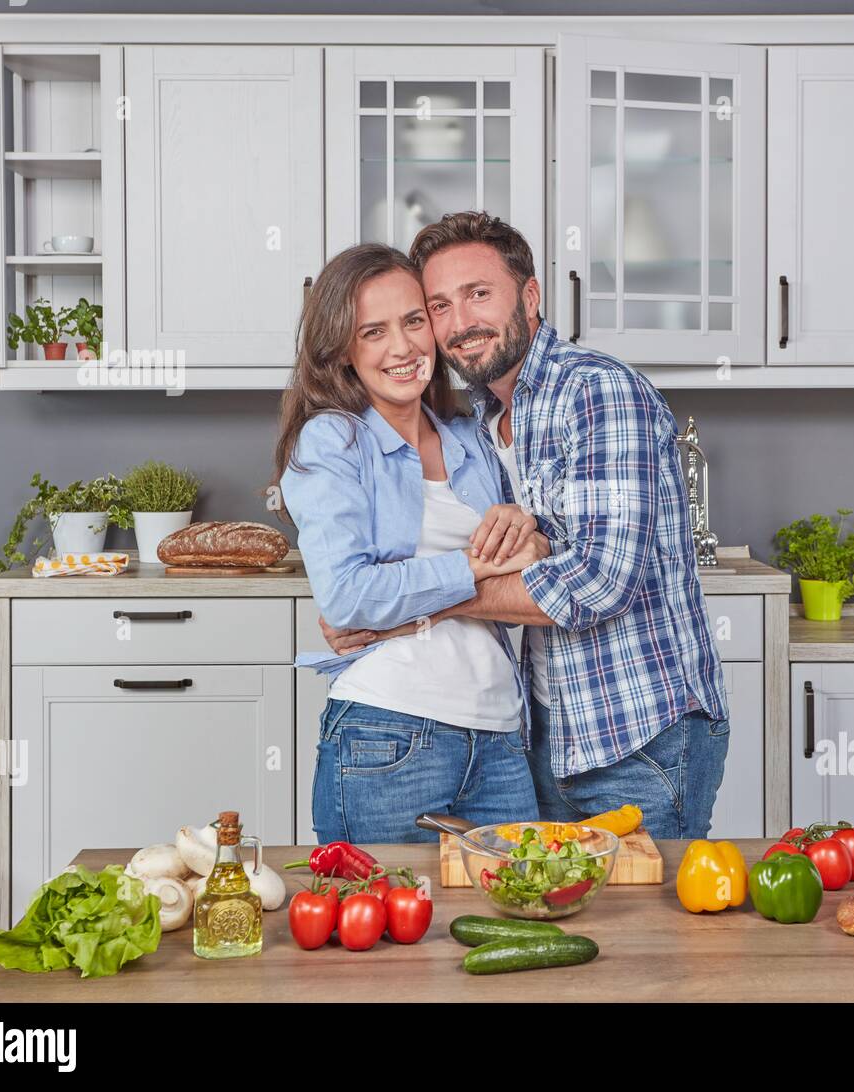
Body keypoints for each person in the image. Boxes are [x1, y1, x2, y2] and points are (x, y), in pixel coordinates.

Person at [321, 213, 731, 840]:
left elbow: (596, 583)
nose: (459, 324)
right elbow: (522, 556)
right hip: (546, 730)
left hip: (638, 734)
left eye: (478, 294)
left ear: (530, 297)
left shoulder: (596, 392)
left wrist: (409, 608)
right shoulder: (482, 419)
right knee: (553, 920)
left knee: (646, 932)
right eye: (438, 306)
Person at [273, 242, 544, 843]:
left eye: (414, 321)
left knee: (512, 925)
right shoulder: (333, 441)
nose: (403, 348)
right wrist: (474, 564)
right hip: (389, 734)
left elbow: (537, 561)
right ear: (343, 350)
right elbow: (347, 599)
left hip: (500, 734)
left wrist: (526, 538)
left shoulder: (470, 437)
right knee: (389, 930)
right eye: (373, 331)